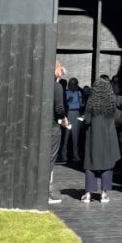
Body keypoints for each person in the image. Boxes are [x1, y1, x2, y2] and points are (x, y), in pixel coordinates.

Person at [80, 78, 121, 203]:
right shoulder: (111, 101)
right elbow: (116, 117)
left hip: (93, 136)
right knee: (107, 164)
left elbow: (87, 120)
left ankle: (88, 194)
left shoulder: (91, 102)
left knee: (90, 164)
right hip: (108, 137)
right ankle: (104, 194)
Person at [49, 60, 71, 204]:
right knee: (50, 160)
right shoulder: (57, 87)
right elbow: (59, 109)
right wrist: (64, 119)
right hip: (53, 128)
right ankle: (47, 192)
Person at [64, 77, 85, 163]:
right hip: (69, 113)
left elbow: (82, 104)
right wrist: (68, 100)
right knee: (67, 135)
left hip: (76, 113)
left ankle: (75, 154)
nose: (72, 86)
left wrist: (81, 101)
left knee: (75, 135)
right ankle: (63, 153)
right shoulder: (66, 93)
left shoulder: (79, 93)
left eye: (74, 84)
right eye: (70, 84)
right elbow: (64, 103)